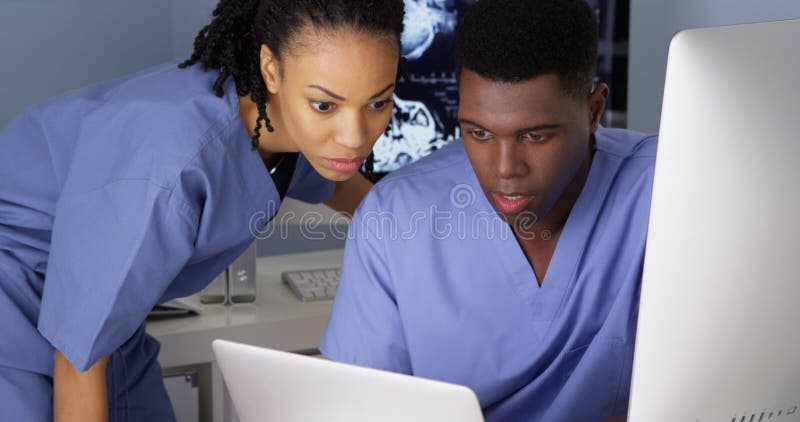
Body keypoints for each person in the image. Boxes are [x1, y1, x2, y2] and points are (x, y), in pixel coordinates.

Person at [0, 0, 404, 420]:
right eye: (325, 105)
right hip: (16, 298)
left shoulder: (287, 124)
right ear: (271, 68)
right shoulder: (171, 166)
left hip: (107, 309)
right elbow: (76, 358)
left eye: (378, 103)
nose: (354, 138)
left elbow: (354, 195)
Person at [320, 0, 655, 421]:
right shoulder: (393, 217)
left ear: (593, 111)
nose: (503, 169)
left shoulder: (664, 189)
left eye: (535, 136)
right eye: (477, 132)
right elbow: (362, 409)